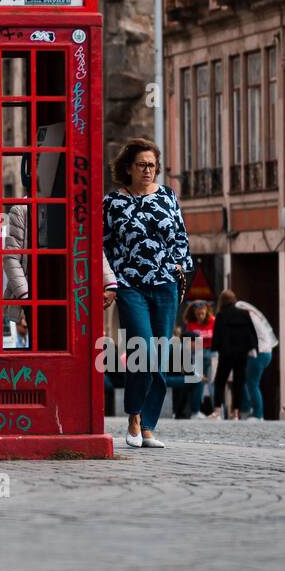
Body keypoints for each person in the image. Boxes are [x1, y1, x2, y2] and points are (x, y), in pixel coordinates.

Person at [103, 137, 192, 450]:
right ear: (128, 168)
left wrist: (181, 267)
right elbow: (102, 245)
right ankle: (133, 417)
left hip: (165, 284)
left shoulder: (168, 197)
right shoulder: (113, 202)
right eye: (141, 165)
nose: (147, 171)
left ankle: (149, 425)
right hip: (130, 285)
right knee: (144, 351)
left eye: (152, 165)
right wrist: (109, 279)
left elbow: (180, 237)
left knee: (162, 356)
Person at [211, 291, 258, 419]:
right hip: (241, 353)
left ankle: (217, 410)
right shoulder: (244, 314)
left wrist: (215, 349)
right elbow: (252, 333)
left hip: (226, 353)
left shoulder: (221, 315)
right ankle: (236, 412)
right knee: (239, 382)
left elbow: (217, 336)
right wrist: (252, 348)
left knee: (220, 381)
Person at [236, 298, 276, 421]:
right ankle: (247, 410)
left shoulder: (247, 319)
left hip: (258, 354)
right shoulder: (253, 316)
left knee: (252, 384)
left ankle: (258, 415)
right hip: (265, 353)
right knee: (247, 382)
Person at [178, 301, 214, 419]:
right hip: (197, 354)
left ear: (206, 312)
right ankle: (193, 411)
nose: (200, 316)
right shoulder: (191, 324)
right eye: (198, 314)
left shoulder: (213, 321)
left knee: (211, 383)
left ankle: (217, 411)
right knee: (197, 380)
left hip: (212, 354)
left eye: (203, 313)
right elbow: (187, 342)